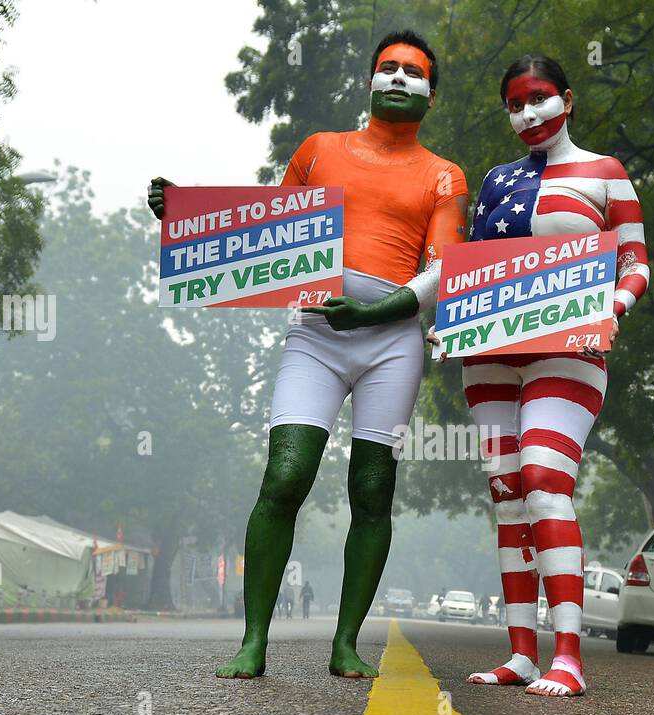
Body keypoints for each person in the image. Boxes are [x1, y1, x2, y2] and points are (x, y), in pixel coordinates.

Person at [148, 30, 467, 680]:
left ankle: (346, 642)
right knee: (285, 477)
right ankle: (253, 640)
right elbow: (274, 234)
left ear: (431, 96)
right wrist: (187, 217)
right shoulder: (319, 150)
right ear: (370, 81)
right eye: (389, 68)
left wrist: (378, 312)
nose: (400, 78)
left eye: (414, 72)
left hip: (393, 341)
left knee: (372, 492)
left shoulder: (445, 174)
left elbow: (444, 269)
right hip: (316, 334)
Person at [452, 55, 649, 697]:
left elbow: (636, 262)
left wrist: (614, 306)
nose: (528, 114)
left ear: (568, 98)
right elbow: (477, 265)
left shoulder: (605, 173)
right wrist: (452, 317)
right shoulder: (494, 182)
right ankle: (521, 653)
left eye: (538, 98)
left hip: (571, 347)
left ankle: (569, 655)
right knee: (507, 490)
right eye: (514, 104)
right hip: (490, 353)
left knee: (543, 477)